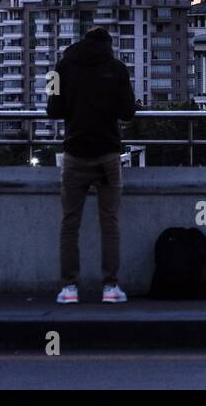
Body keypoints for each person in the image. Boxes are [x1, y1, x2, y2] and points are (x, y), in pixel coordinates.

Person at [46, 26, 138, 305]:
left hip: (74, 154)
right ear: (108, 45)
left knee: (69, 223)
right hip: (108, 154)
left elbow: (52, 110)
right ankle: (110, 286)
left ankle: (69, 288)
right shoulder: (117, 69)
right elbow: (128, 112)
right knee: (109, 223)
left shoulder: (61, 67)